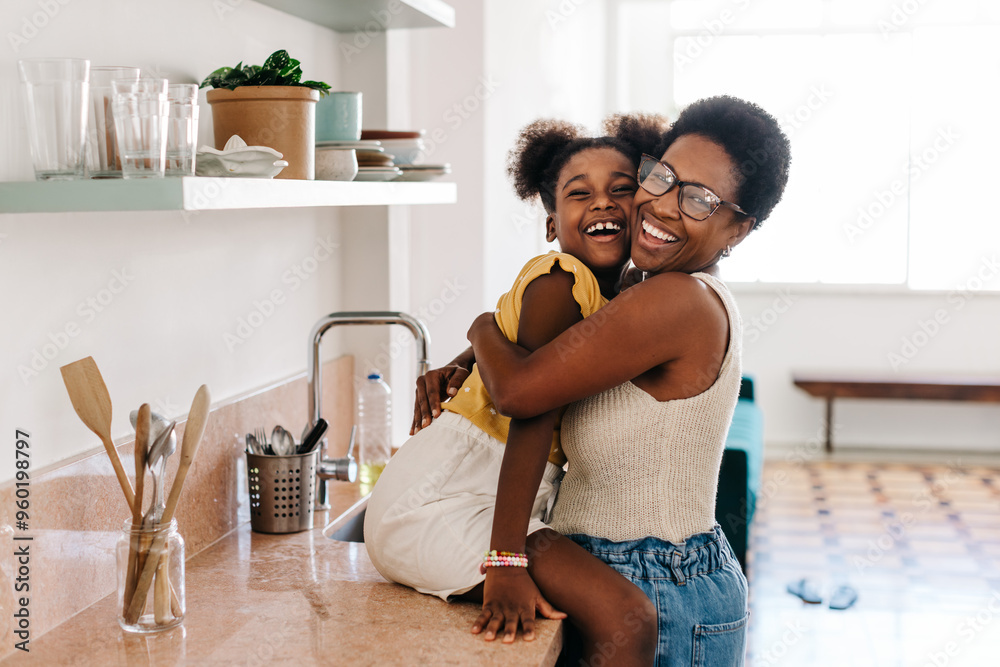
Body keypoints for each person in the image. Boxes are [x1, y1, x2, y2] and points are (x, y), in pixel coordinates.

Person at [464, 95, 791, 665]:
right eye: (663, 176)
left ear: (738, 228)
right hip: (638, 576)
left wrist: (480, 328)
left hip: (656, 588)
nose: (663, 205)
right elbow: (552, 352)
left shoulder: (676, 300)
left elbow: (519, 391)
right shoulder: (641, 287)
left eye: (700, 199)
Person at [364, 113, 668, 665]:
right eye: (580, 195)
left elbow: (519, 343)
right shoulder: (560, 280)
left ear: (644, 208)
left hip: (494, 491)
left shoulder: (618, 294)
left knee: (627, 617)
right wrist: (505, 560)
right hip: (440, 501)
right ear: (552, 224)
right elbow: (529, 407)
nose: (602, 203)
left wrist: (476, 334)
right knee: (630, 616)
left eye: (620, 191)